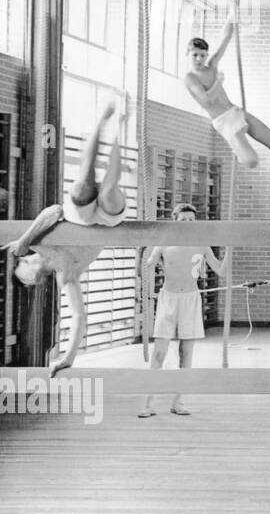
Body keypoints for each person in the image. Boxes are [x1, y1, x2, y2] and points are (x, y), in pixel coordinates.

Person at [5, 99, 129, 373]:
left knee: (83, 181)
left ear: (26, 261)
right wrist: (68, 358)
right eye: (25, 282)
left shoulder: (37, 243)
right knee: (108, 190)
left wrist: (25, 239)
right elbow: (79, 315)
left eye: (21, 269)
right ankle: (121, 128)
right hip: (103, 225)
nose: (26, 276)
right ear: (37, 280)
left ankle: (102, 120)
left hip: (80, 215)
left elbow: (53, 210)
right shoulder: (66, 275)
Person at [183, 16, 270, 205]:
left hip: (236, 111)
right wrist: (219, 82)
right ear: (188, 53)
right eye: (195, 55)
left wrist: (231, 10)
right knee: (252, 162)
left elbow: (226, 36)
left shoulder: (211, 65)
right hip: (224, 122)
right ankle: (238, 147)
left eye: (202, 55)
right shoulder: (190, 78)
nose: (199, 59)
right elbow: (207, 100)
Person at [139, 204, 225, 418]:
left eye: (191, 220)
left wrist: (232, 247)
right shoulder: (164, 243)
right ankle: (148, 404)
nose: (187, 224)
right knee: (159, 353)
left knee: (185, 353)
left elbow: (220, 271)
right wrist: (141, 249)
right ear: (174, 219)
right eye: (183, 220)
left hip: (190, 300)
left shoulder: (201, 245)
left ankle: (179, 401)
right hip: (168, 299)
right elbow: (146, 268)